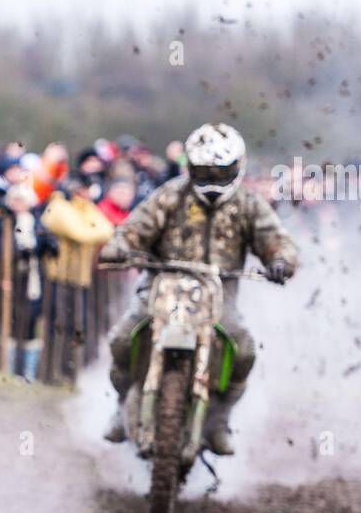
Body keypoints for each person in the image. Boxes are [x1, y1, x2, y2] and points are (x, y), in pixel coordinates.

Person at [101, 123, 298, 454]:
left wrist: (281, 261)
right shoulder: (171, 194)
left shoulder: (247, 203)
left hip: (219, 294)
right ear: (190, 166)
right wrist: (119, 245)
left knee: (244, 350)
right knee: (122, 339)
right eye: (204, 170)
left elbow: (276, 239)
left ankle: (220, 419)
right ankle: (122, 407)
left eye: (220, 171)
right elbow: (135, 227)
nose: (212, 178)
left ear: (236, 166)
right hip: (161, 286)